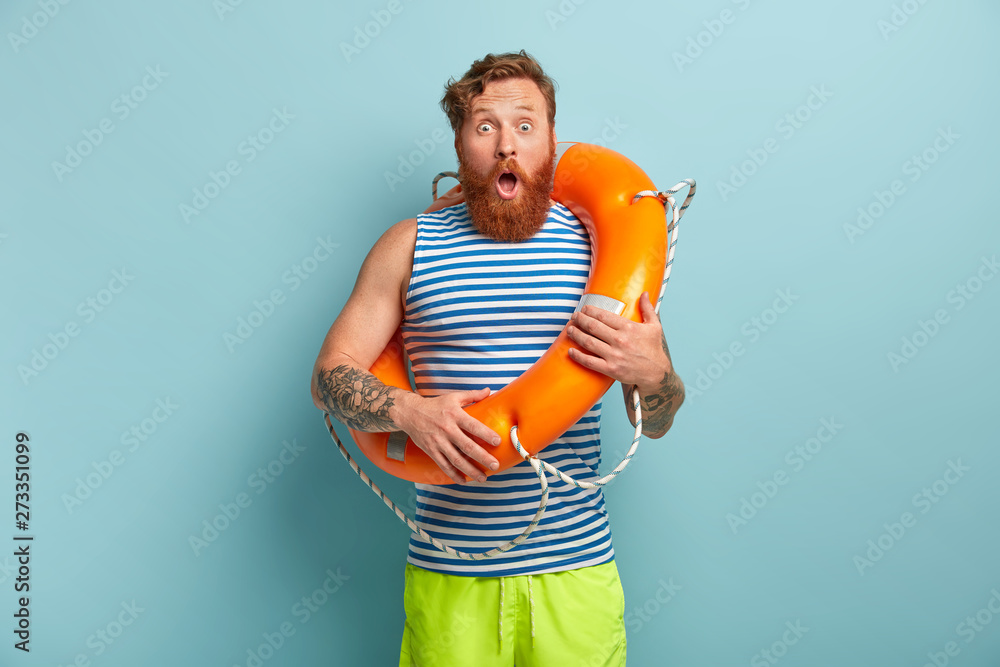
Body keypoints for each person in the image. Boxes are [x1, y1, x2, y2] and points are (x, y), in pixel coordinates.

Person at [310, 50, 684, 667]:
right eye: (485, 127)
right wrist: (409, 411)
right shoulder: (407, 246)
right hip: (452, 577)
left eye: (525, 125)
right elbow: (329, 378)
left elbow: (661, 419)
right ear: (461, 142)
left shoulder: (599, 251)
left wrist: (656, 376)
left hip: (577, 573)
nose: (507, 145)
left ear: (553, 140)